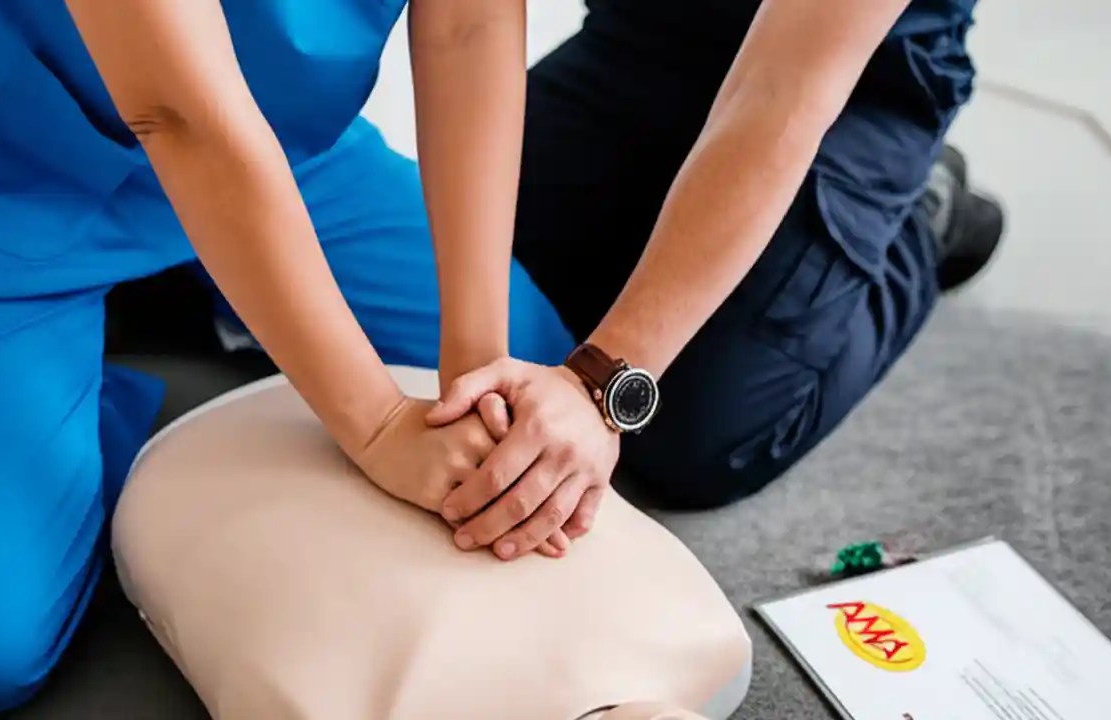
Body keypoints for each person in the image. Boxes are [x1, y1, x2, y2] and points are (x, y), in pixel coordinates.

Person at [0, 1, 569, 717]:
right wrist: (377, 424)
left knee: (535, 379)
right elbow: (184, 117)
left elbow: (468, 24)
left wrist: (478, 373)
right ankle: (71, 361)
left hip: (277, 143)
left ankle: (200, 296)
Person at [423, 0, 1004, 561]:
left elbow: (779, 92)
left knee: (699, 442)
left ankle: (925, 218)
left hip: (854, 84)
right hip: (647, 37)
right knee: (447, 257)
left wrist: (601, 384)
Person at [113, 367, 751, 720]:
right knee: (8, 648)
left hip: (200, 467)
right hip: (207, 463)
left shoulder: (709, 646)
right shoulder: (708, 644)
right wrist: (382, 426)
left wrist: (478, 380)